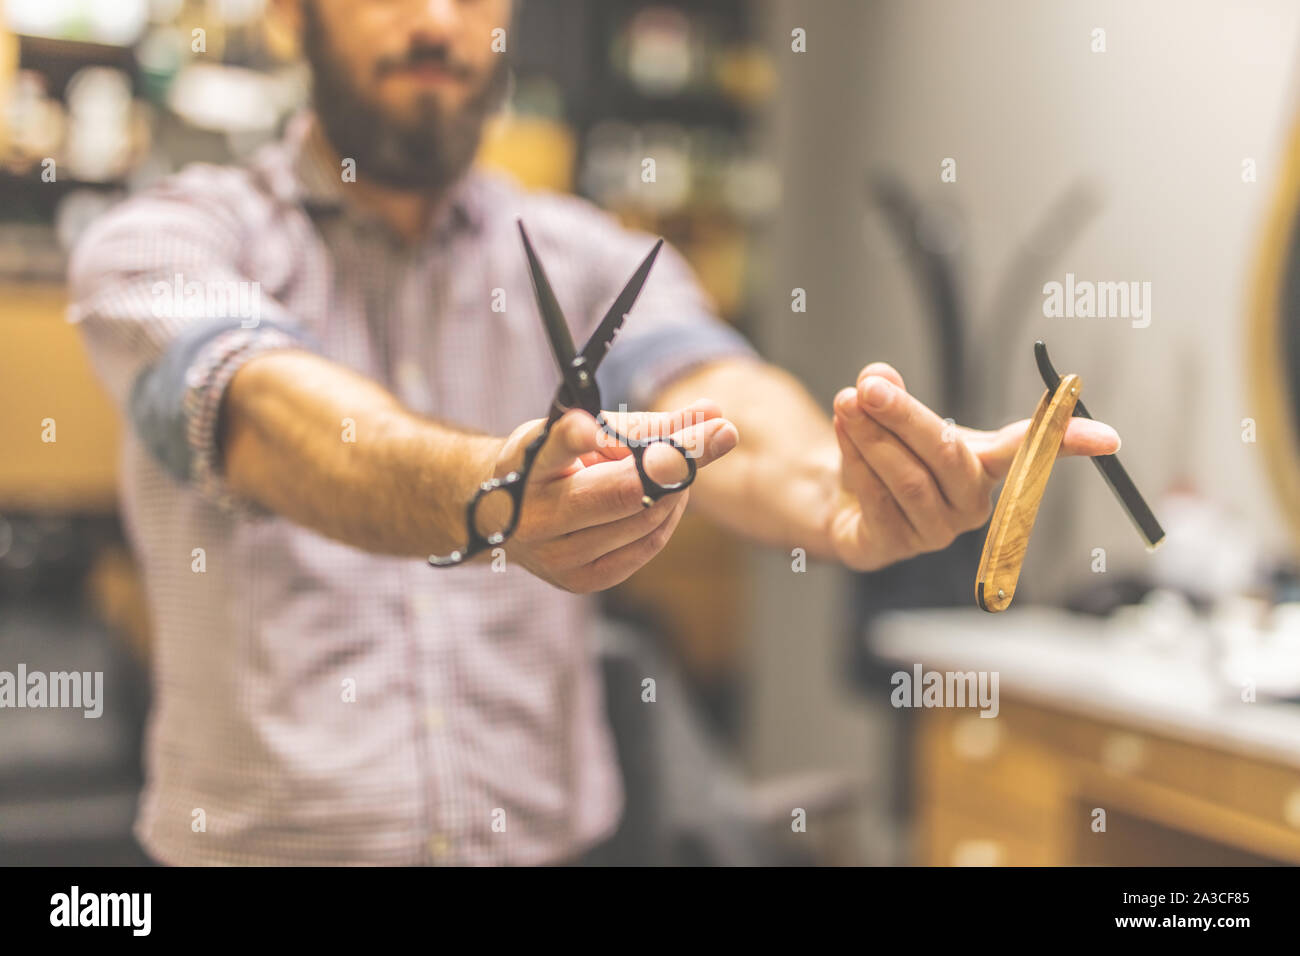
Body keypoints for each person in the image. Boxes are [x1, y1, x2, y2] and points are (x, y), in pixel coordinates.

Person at [69, 0, 1119, 865]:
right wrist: (484, 488)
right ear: (292, 17)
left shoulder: (580, 251)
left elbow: (714, 388)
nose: (435, 22)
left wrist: (833, 493)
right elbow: (266, 416)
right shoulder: (165, 242)